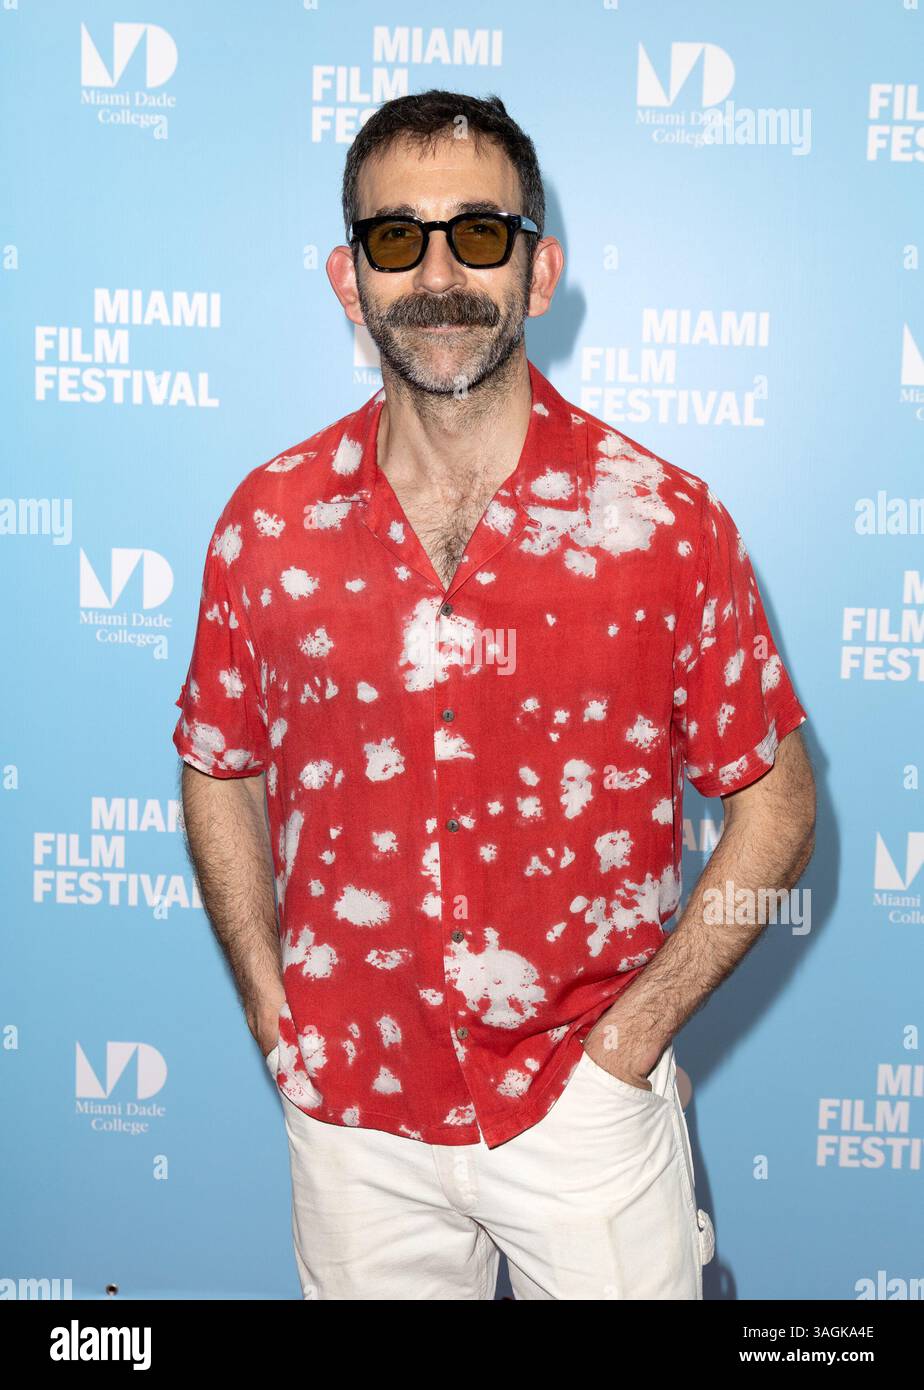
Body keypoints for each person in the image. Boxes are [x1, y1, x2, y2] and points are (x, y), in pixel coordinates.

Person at [172, 89, 816, 1301]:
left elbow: (776, 805)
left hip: (588, 1114)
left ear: (540, 266)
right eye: (395, 238)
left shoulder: (664, 523)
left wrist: (629, 1046)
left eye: (478, 233)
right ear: (346, 276)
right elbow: (219, 762)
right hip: (353, 1111)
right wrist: (273, 1011)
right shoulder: (267, 526)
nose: (438, 273)